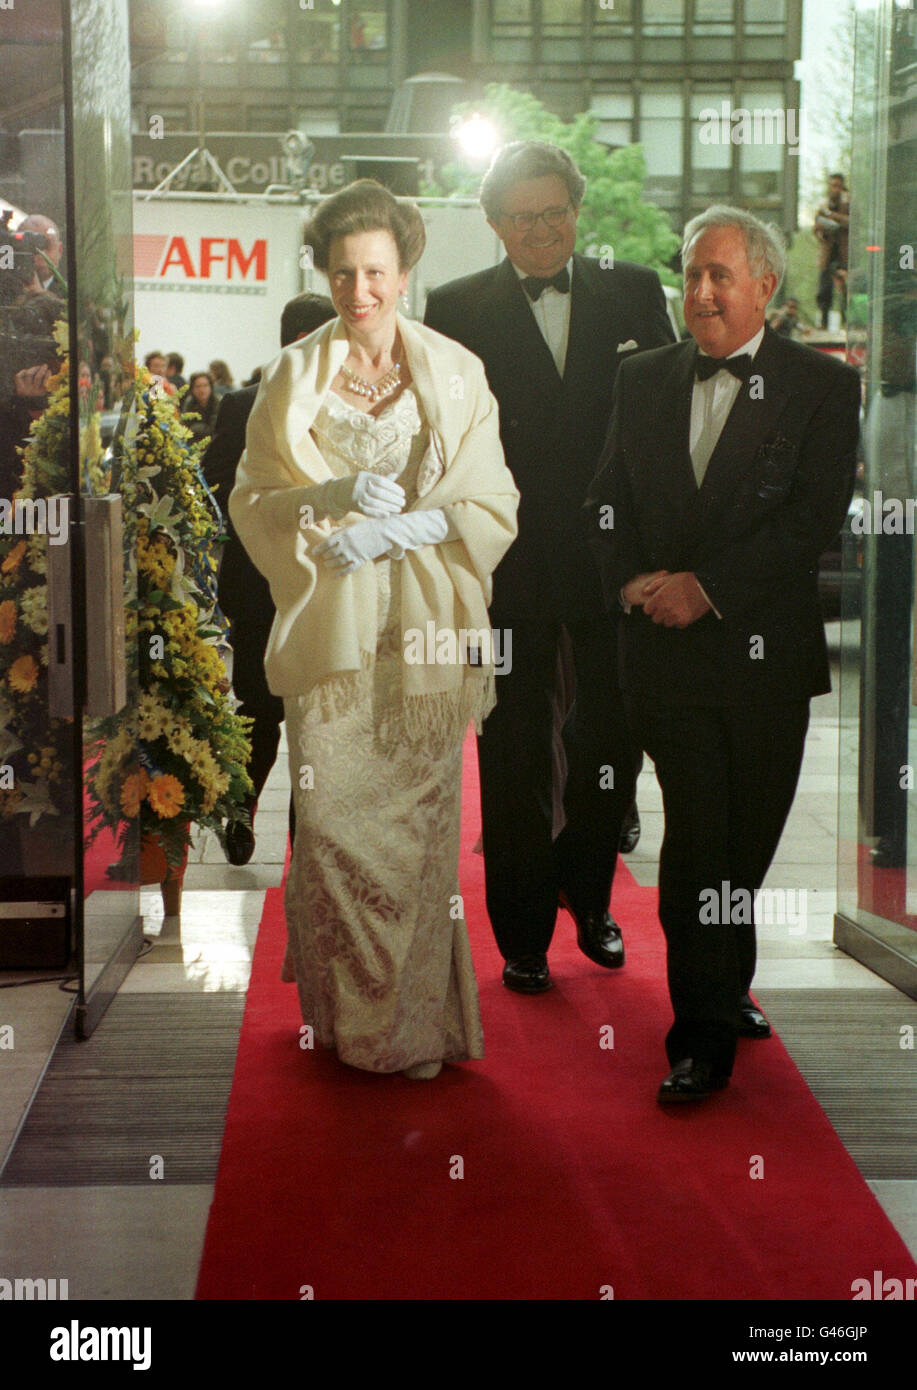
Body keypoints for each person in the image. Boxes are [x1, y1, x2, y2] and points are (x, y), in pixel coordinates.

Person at [230, 180, 519, 1078]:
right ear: (324, 272)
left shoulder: (457, 369)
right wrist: (332, 501)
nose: (360, 290)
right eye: (344, 272)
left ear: (404, 274)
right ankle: (350, 1020)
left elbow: (494, 497)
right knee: (330, 833)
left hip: (427, 638)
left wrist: (413, 525)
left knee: (420, 843)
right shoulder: (291, 373)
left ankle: (412, 1029)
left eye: (376, 272)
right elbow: (254, 500)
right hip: (336, 636)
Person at [588, 205, 860, 1104]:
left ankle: (723, 978)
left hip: (765, 663)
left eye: (718, 275)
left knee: (743, 849)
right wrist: (630, 580)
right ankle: (699, 1036)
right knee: (699, 845)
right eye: (689, 273)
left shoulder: (820, 386)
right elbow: (608, 499)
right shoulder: (641, 378)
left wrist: (707, 587)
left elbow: (809, 521)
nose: (697, 291)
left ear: (765, 286)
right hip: (666, 665)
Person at [424, 140, 674, 995]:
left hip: (614, 565)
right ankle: (523, 935)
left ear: (577, 211)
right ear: (493, 224)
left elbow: (665, 425)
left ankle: (591, 895)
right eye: (523, 218)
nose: (542, 231)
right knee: (513, 746)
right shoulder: (453, 308)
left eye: (555, 213)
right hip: (504, 569)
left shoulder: (635, 290)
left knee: (609, 740)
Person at [202, 292, 337, 864]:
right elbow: (218, 492)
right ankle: (267, 829)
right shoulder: (244, 406)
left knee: (269, 716)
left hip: (291, 589)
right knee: (297, 721)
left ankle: (260, 828)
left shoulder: (242, 403)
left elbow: (212, 491)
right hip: (279, 588)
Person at [814, 173, 850, 329]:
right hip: (828, 254)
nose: (836, 189)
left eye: (838, 185)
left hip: (844, 254)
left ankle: (846, 321)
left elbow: (852, 222)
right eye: (833, 185)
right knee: (824, 290)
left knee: (846, 289)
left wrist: (833, 216)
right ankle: (823, 322)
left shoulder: (848, 203)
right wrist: (821, 232)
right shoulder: (824, 204)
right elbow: (816, 225)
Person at [181, 371, 220, 443]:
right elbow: (185, 427)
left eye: (205, 385)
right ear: (192, 389)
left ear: (211, 387)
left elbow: (214, 429)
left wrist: (195, 428)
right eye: (198, 386)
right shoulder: (189, 403)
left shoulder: (218, 402)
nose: (202, 390)